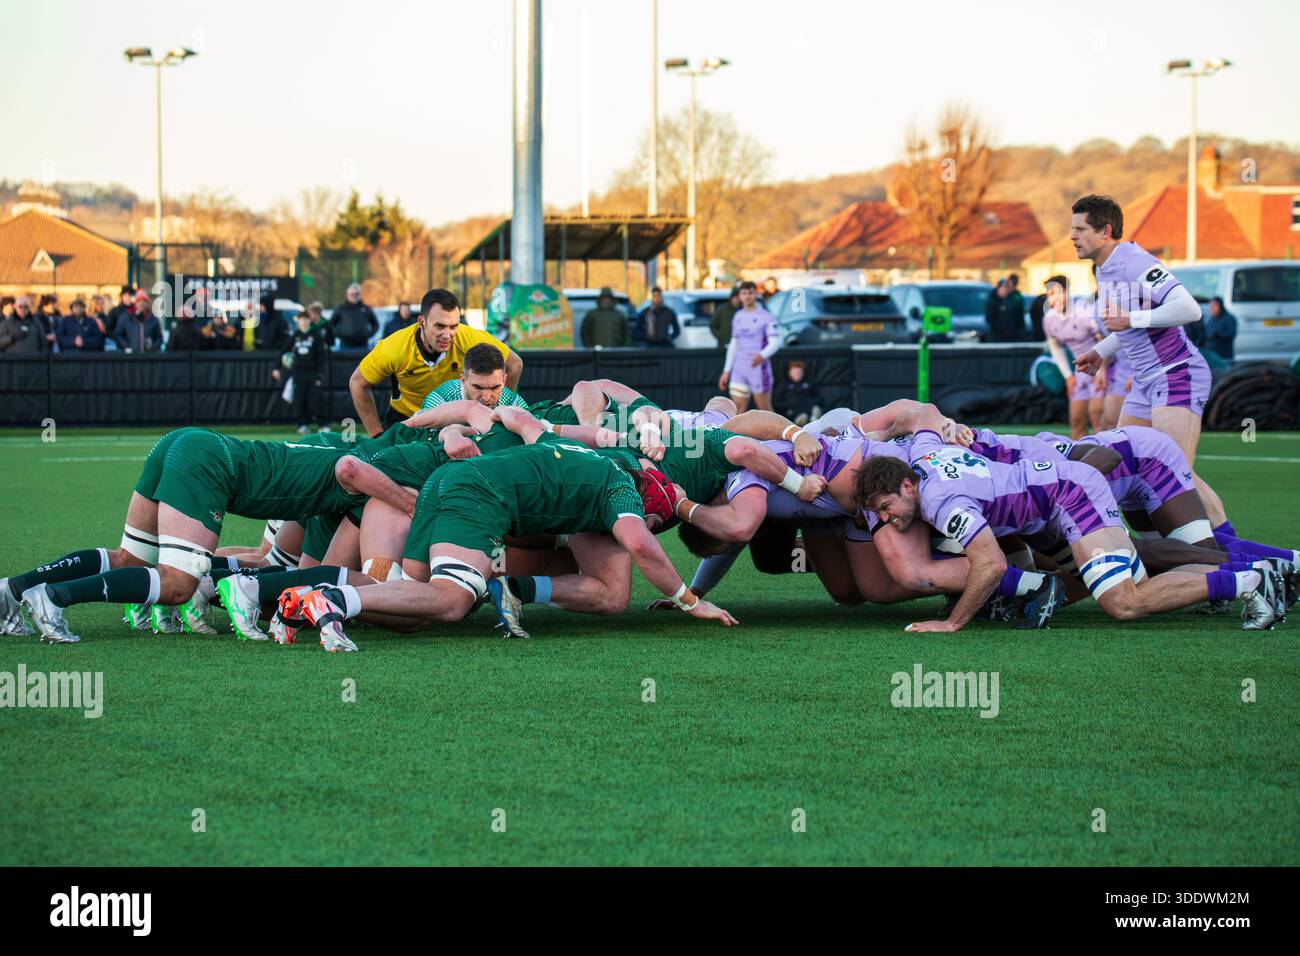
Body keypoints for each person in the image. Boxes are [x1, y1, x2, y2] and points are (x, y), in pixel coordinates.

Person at [1070, 194, 1226, 536]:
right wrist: (1102, 350)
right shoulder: (1102, 268)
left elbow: (1189, 309)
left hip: (1177, 373)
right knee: (1127, 465)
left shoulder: (1134, 261)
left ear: (1106, 231)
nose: (1073, 236)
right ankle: (1162, 555)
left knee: (1176, 473)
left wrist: (1131, 319)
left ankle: (1234, 554)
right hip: (1145, 382)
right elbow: (1122, 325)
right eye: (1073, 229)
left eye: (1080, 229)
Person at [349, 287, 523, 438]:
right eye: (440, 326)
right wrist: (376, 434)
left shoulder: (470, 338)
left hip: (455, 419)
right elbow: (357, 383)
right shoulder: (394, 347)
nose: (447, 335)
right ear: (422, 322)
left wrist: (498, 407)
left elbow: (515, 364)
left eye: (454, 326)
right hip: (406, 419)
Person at [1041, 275, 1103, 439]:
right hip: (1080, 372)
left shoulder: (1086, 312)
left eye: (1056, 292)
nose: (1053, 298)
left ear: (1067, 292)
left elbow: (1105, 342)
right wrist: (1068, 376)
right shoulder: (1049, 319)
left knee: (1099, 420)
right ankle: (1079, 462)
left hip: (1102, 370)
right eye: (1049, 294)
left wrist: (1102, 372)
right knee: (1076, 420)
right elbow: (1055, 346)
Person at [718, 280, 779, 412]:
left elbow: (776, 342)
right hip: (739, 368)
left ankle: (779, 433)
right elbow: (734, 343)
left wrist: (762, 355)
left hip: (758, 368)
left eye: (751, 293)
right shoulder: (738, 316)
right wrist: (726, 370)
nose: (747, 296)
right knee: (738, 410)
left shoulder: (767, 316)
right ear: (739, 296)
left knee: (765, 410)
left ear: (756, 294)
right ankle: (740, 433)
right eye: (744, 293)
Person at [274, 311, 333, 434]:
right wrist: (277, 368)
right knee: (300, 400)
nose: (303, 322)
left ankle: (323, 424)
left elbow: (322, 355)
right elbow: (283, 351)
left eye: (306, 319)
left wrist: (320, 373)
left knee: (316, 400)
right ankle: (303, 424)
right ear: (298, 321)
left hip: (313, 372)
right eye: (301, 319)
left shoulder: (316, 335)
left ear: (309, 321)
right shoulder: (295, 336)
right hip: (298, 372)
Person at [773, 360, 824, 426]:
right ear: (789, 372)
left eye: (799, 372)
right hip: (791, 411)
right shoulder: (783, 385)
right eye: (794, 372)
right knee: (798, 414)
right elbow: (776, 402)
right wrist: (791, 404)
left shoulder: (808, 384)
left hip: (808, 408)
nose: (797, 374)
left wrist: (809, 402)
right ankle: (799, 421)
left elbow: (819, 399)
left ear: (803, 373)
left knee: (815, 409)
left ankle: (814, 420)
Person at [329, 283, 379, 349]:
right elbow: (331, 324)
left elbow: (375, 325)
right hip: (345, 345)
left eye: (356, 294)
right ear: (347, 295)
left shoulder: (366, 309)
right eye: (351, 294)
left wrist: (367, 335)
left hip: (363, 345)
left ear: (360, 294)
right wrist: (339, 334)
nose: (354, 296)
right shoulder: (340, 308)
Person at [1204, 297, 1237, 361]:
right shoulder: (1210, 320)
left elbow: (1231, 334)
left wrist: (1219, 335)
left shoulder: (1229, 318)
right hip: (1212, 355)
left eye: (1215, 306)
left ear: (1220, 306)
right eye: (1211, 306)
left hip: (1224, 356)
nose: (1212, 308)